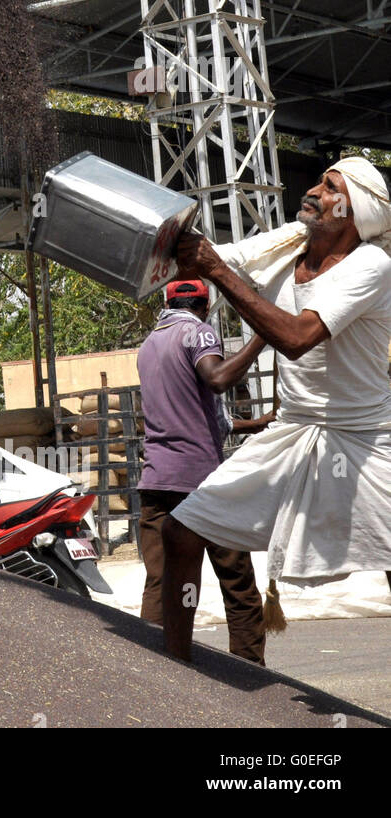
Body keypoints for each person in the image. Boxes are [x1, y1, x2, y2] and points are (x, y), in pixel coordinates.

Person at [161, 157, 391, 662]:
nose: (312, 190)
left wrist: (213, 266)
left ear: (353, 211)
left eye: (328, 187)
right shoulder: (287, 250)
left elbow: (295, 338)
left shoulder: (371, 265)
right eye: (319, 180)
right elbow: (206, 258)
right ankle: (172, 670)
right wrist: (167, 238)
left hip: (365, 439)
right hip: (295, 432)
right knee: (180, 531)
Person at [135, 279, 270, 665]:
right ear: (205, 306)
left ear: (168, 301)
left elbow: (196, 413)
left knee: (163, 583)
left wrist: (256, 423)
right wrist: (261, 337)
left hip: (157, 482)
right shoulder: (199, 332)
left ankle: (156, 667)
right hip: (200, 486)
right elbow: (217, 378)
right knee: (238, 584)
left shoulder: (150, 345)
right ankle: (248, 668)